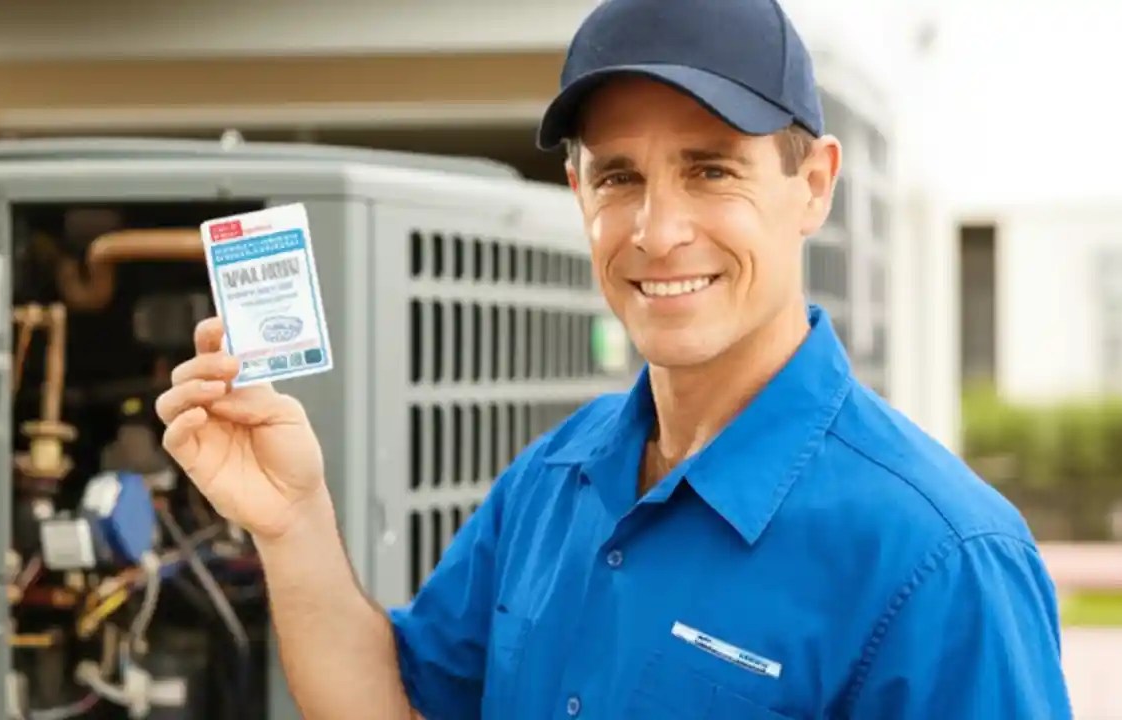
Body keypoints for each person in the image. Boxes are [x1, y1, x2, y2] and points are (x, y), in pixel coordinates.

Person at [155, 0, 1073, 717]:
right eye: (618, 176)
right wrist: (294, 521)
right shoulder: (552, 482)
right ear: (578, 190)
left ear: (815, 185)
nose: (656, 232)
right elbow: (396, 706)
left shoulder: (942, 560)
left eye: (711, 170)